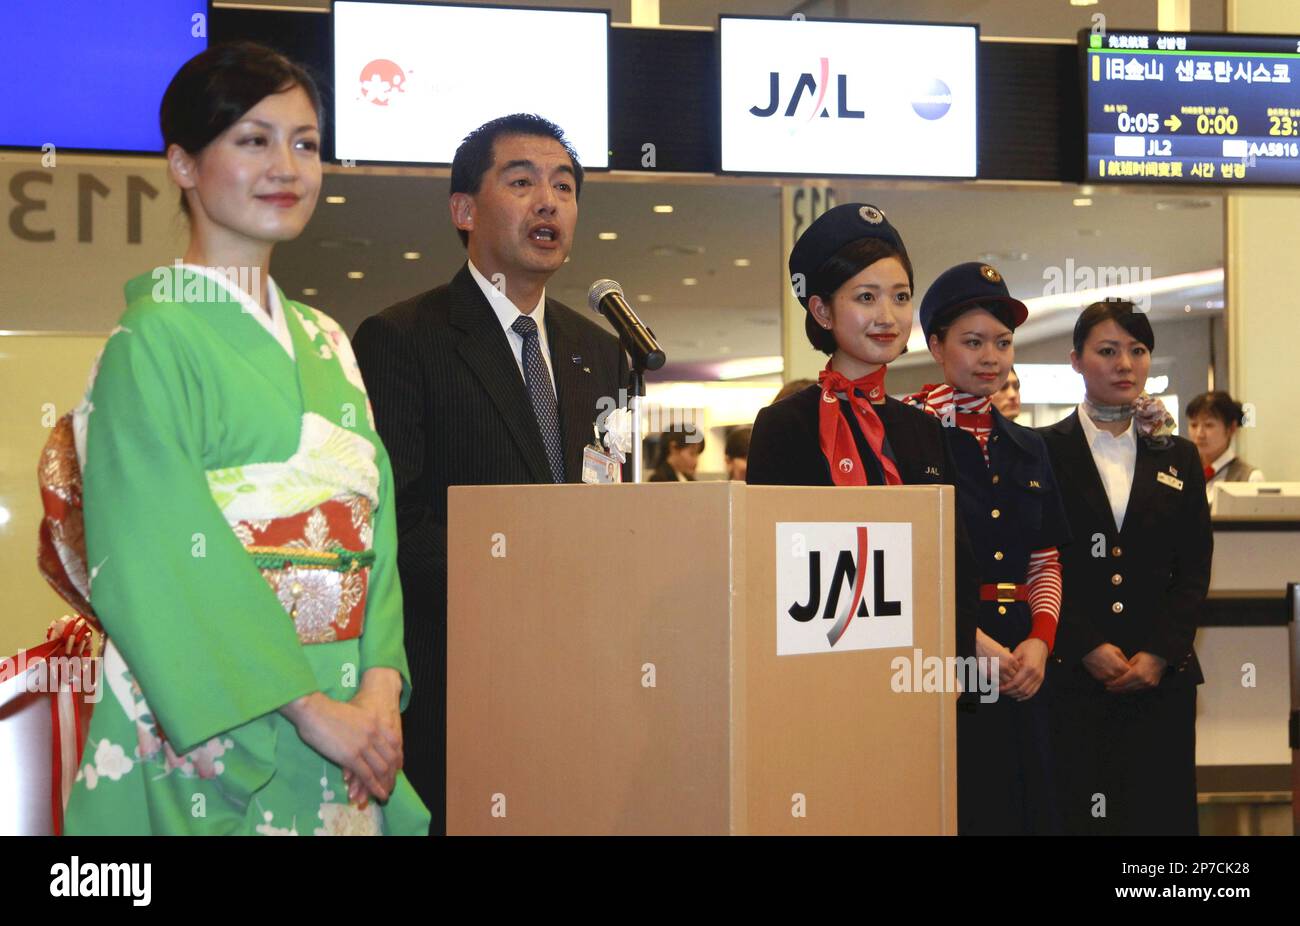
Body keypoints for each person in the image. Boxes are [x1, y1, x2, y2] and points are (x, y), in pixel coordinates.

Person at [62, 43, 429, 835]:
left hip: (349, 710)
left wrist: (378, 684)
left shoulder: (327, 338)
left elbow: (376, 528)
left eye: (306, 144)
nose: (287, 167)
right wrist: (310, 709)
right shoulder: (151, 339)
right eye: (254, 140)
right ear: (183, 164)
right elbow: (156, 553)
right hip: (223, 709)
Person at [351, 113, 626, 834]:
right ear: (464, 210)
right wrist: (528, 567)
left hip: (577, 673)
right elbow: (394, 526)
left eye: (564, 187)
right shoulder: (402, 340)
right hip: (458, 679)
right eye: (522, 182)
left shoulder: (600, 353)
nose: (549, 202)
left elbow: (605, 503)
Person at [746, 203, 977, 660]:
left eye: (901, 297)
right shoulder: (784, 424)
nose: (887, 316)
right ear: (822, 311)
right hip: (814, 660)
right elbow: (766, 565)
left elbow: (956, 565)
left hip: (916, 659)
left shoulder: (925, 428)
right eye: (866, 298)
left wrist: (954, 669)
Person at [903, 262, 1070, 835]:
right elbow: (903, 565)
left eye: (1002, 342)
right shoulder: (910, 434)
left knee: (1029, 806)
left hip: (1023, 658)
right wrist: (968, 642)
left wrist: (1040, 643)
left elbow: (1045, 559)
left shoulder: (1027, 445)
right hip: (942, 654)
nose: (991, 357)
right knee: (960, 804)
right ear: (936, 346)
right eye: (972, 342)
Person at [1039, 300, 1212, 835]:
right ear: (1076, 360)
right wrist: (1084, 644)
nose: (1125, 365)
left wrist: (1160, 652)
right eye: (1107, 351)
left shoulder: (1178, 455)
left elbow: (1193, 567)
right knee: (1078, 813)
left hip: (1161, 678)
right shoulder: (1042, 451)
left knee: (1160, 815)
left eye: (1137, 351)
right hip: (1073, 673)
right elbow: (1041, 559)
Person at [1186, 390, 1263, 502]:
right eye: (1194, 425)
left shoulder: (1250, 478)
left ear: (1231, 428)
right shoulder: (1185, 472)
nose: (1199, 434)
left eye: (1208, 425)